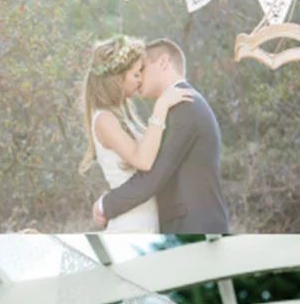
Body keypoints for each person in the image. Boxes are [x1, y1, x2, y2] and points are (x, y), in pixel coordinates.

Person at [90, 37, 230, 234]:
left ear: (163, 62)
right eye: (135, 73)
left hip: (194, 230)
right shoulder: (176, 105)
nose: (139, 78)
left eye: (142, 69)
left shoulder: (184, 106)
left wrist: (105, 204)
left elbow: (152, 177)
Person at [81, 35, 194, 232]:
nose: (140, 79)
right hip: (130, 223)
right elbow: (143, 161)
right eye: (135, 74)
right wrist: (161, 107)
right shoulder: (104, 119)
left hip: (145, 217)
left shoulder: (123, 115)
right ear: (117, 79)